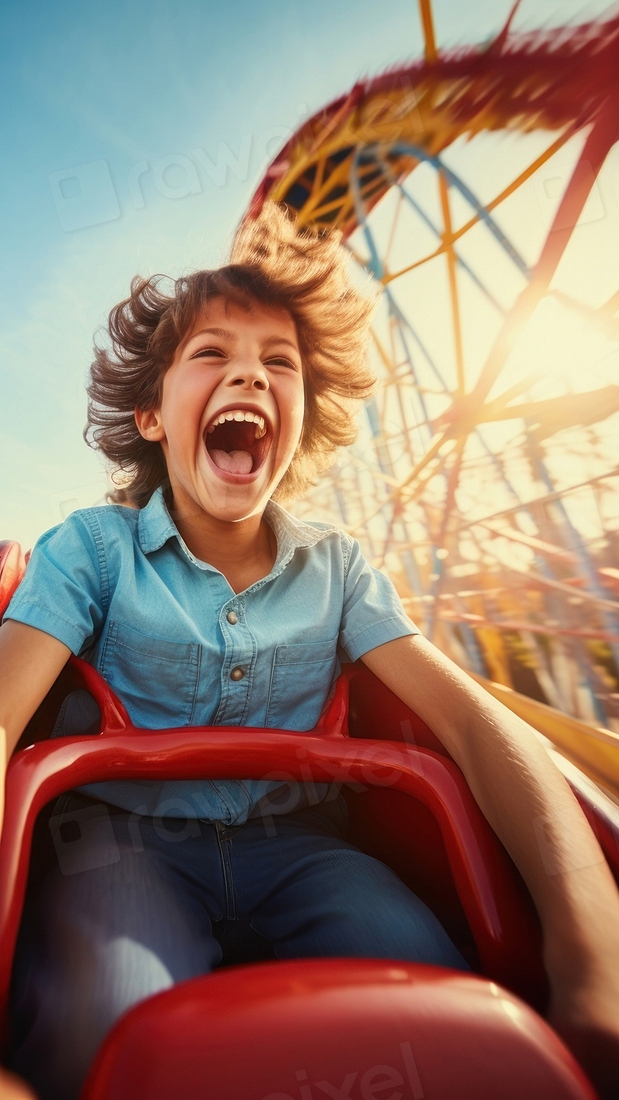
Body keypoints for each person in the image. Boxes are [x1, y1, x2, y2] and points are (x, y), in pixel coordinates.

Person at [0, 204, 618, 1100]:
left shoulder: (339, 569)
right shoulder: (94, 549)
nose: (249, 373)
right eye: (211, 353)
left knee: (432, 988)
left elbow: (474, 728)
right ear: (151, 415)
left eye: (278, 362)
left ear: (298, 422)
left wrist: (590, 951)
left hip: (299, 844)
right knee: (102, 1020)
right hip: (121, 845)